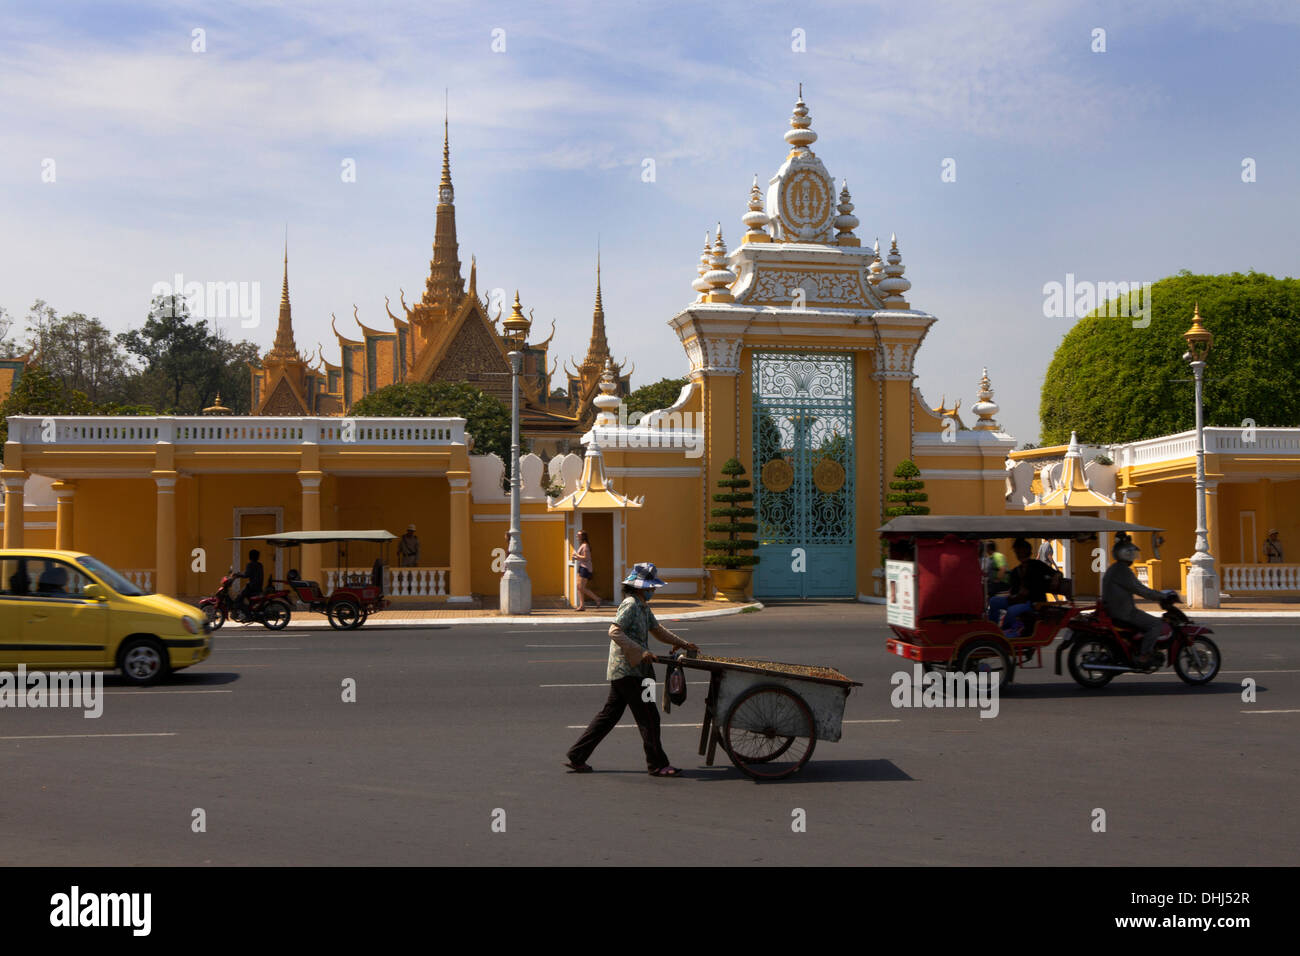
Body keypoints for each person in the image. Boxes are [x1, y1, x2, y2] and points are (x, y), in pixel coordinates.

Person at [565, 563, 699, 777]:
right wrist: (641, 651)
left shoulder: (643, 606)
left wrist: (683, 643)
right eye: (651, 587)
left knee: (609, 716)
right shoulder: (630, 605)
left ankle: (577, 756)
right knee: (649, 717)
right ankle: (657, 764)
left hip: (634, 671)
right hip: (629, 671)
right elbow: (614, 631)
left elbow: (658, 630)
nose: (653, 591)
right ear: (640, 587)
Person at [1102, 535, 1176, 668]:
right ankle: (1145, 655)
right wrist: (1162, 596)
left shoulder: (1114, 568)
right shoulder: (1123, 571)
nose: (1134, 557)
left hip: (1116, 609)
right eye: (1132, 553)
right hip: (1124, 612)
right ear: (1126, 554)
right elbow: (1141, 590)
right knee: (1156, 625)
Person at [988, 538, 1058, 637]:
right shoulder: (1017, 570)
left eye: (1018, 551)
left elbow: (1056, 573)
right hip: (1018, 599)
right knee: (993, 601)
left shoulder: (1037, 565)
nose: (1017, 553)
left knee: (1012, 611)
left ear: (1025, 551)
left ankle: (1004, 632)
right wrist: (1012, 595)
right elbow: (1014, 590)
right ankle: (992, 629)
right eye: (1016, 551)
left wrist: (1055, 579)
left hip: (1032, 602)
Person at [569, 530, 601, 611]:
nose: (577, 536)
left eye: (579, 535)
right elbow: (582, 558)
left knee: (581, 587)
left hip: (585, 568)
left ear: (583, 536)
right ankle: (582, 605)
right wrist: (576, 557)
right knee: (579, 587)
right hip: (582, 567)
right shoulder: (582, 545)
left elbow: (586, 558)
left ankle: (597, 599)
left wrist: (576, 555)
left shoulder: (585, 546)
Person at [235, 549, 265, 618]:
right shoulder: (260, 565)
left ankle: (247, 613)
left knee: (239, 598)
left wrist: (237, 575)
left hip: (252, 586)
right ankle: (248, 610)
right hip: (258, 586)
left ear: (250, 556)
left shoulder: (250, 564)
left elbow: (246, 575)